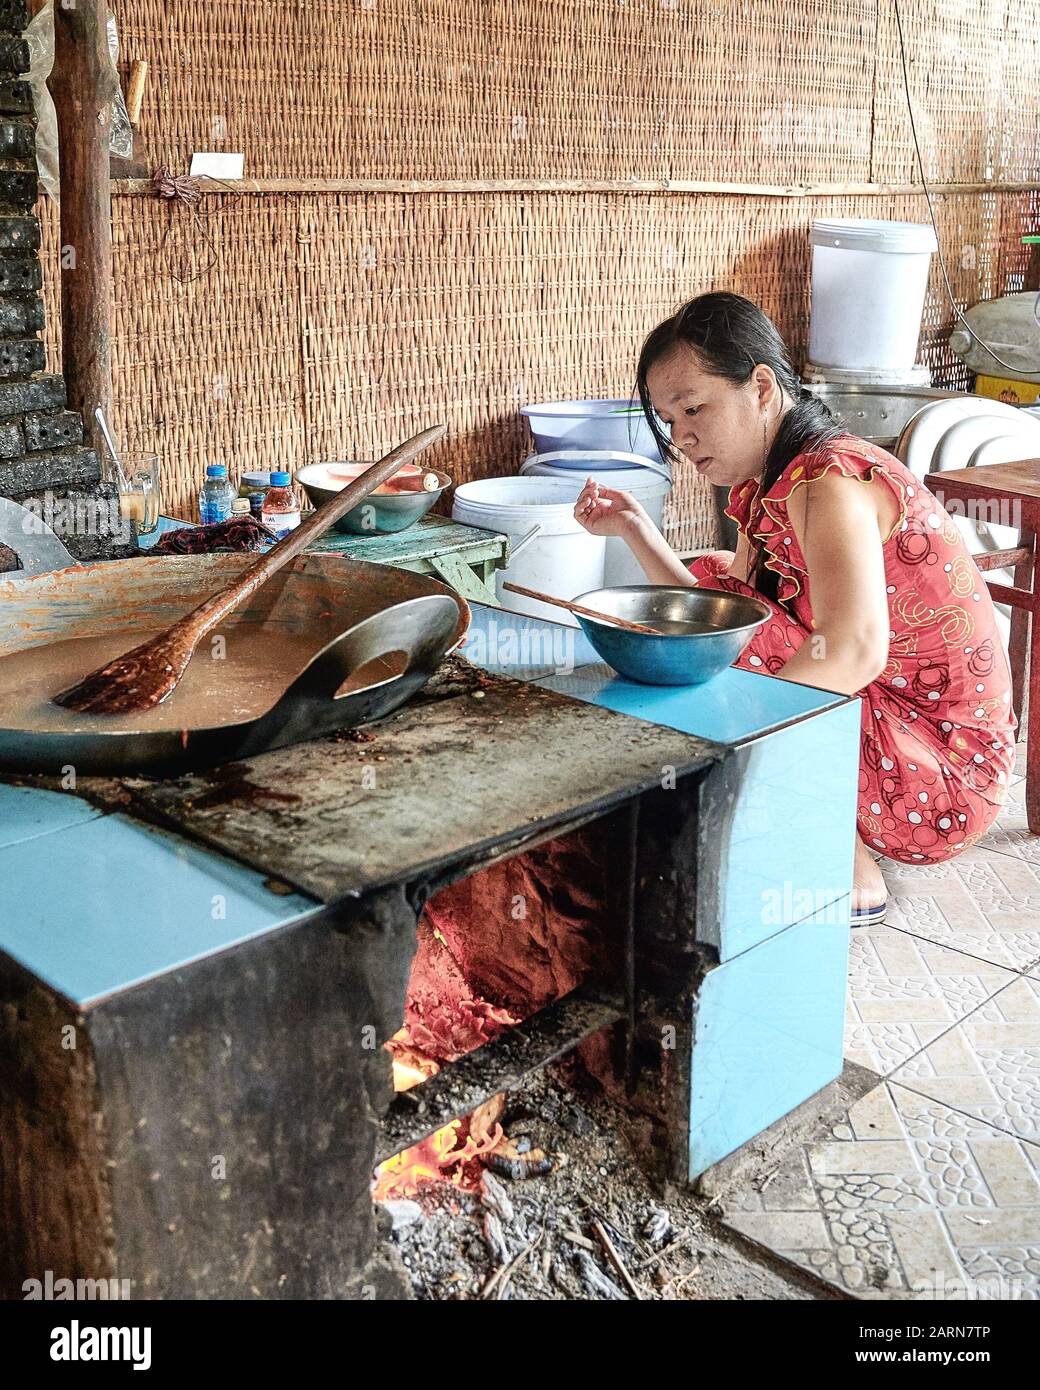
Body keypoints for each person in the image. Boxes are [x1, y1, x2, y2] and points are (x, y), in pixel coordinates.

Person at [573, 292, 1016, 924]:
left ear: (759, 386)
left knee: (734, 647)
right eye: (670, 419)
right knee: (721, 602)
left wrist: (736, 742)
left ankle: (852, 871)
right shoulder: (777, 483)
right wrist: (636, 529)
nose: (683, 435)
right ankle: (821, 824)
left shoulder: (829, 481)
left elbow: (856, 647)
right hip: (903, 744)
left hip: (945, 777)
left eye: (694, 407)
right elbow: (714, 613)